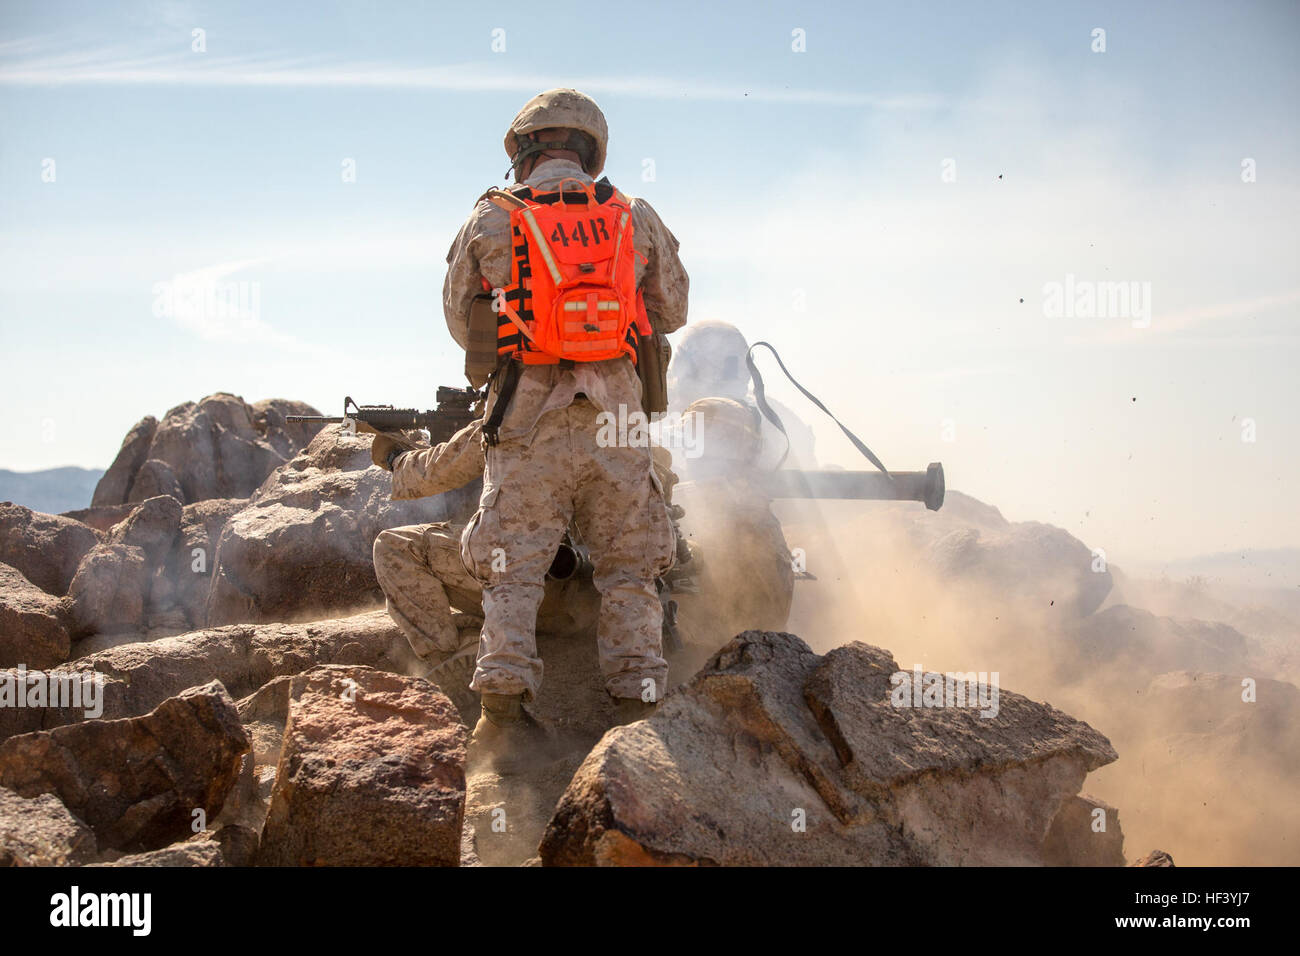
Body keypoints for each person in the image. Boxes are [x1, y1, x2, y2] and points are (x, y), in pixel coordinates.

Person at [442, 88, 689, 755]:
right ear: (591, 148)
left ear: (523, 150)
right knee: (630, 567)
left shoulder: (490, 219)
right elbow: (671, 313)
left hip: (526, 417)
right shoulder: (634, 216)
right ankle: (635, 714)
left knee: (512, 567)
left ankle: (503, 717)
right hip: (616, 419)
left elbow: (461, 321)